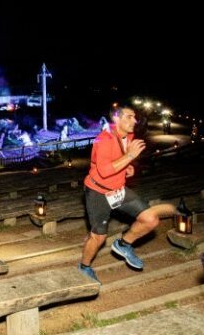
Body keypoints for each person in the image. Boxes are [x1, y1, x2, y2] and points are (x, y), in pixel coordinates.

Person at [77, 105, 160, 284]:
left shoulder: (128, 137)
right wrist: (130, 157)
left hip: (118, 190)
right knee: (98, 237)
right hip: (98, 192)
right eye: (129, 117)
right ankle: (84, 266)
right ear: (116, 119)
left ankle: (123, 244)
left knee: (151, 219)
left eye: (135, 117)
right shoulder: (103, 139)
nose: (135, 121)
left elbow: (117, 161)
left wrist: (127, 166)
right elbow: (105, 171)